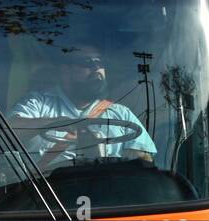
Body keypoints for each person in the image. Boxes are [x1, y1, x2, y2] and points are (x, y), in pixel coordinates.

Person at [9, 43, 155, 168]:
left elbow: (143, 162)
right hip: (47, 194)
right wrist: (53, 123)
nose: (97, 68)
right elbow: (4, 134)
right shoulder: (38, 103)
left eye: (100, 63)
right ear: (65, 71)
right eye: (88, 62)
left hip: (110, 194)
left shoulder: (121, 113)